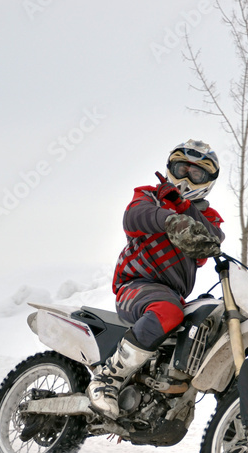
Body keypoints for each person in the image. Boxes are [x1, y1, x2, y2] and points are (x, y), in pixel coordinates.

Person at [88, 139, 225, 418]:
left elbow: (213, 237)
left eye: (196, 173)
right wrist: (169, 218)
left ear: (208, 180)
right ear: (170, 167)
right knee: (167, 310)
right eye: (181, 168)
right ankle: (107, 378)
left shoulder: (207, 216)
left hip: (172, 294)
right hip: (135, 285)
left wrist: (185, 209)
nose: (187, 176)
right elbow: (133, 217)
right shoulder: (149, 197)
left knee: (211, 320)